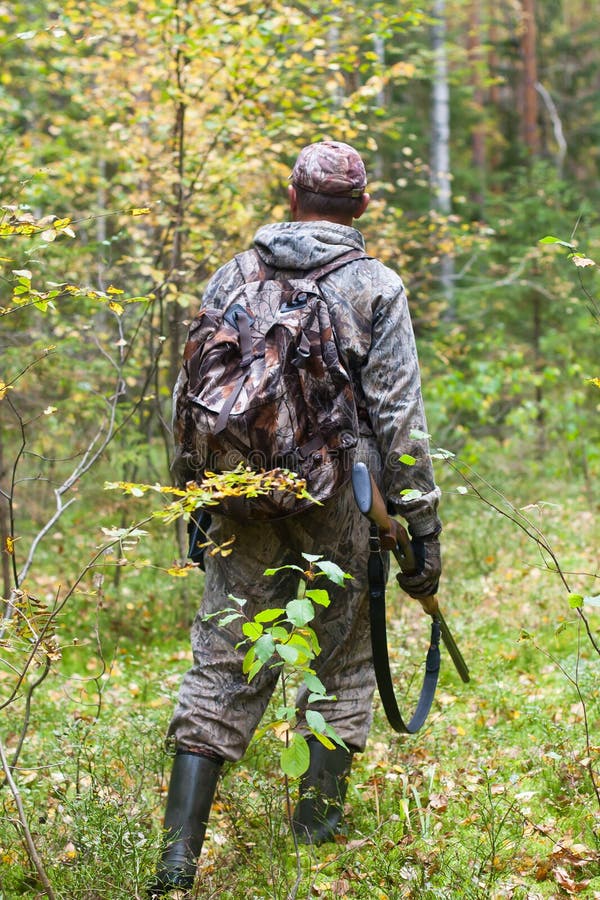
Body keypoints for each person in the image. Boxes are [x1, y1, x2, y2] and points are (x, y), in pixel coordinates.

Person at [150, 140, 442, 896]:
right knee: (339, 661)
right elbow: (399, 418)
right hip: (340, 498)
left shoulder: (231, 275)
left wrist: (197, 496)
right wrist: (421, 530)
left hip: (239, 496)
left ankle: (176, 867)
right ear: (363, 207)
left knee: (221, 664)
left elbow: (191, 398)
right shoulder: (376, 286)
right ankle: (315, 845)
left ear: (290, 197)